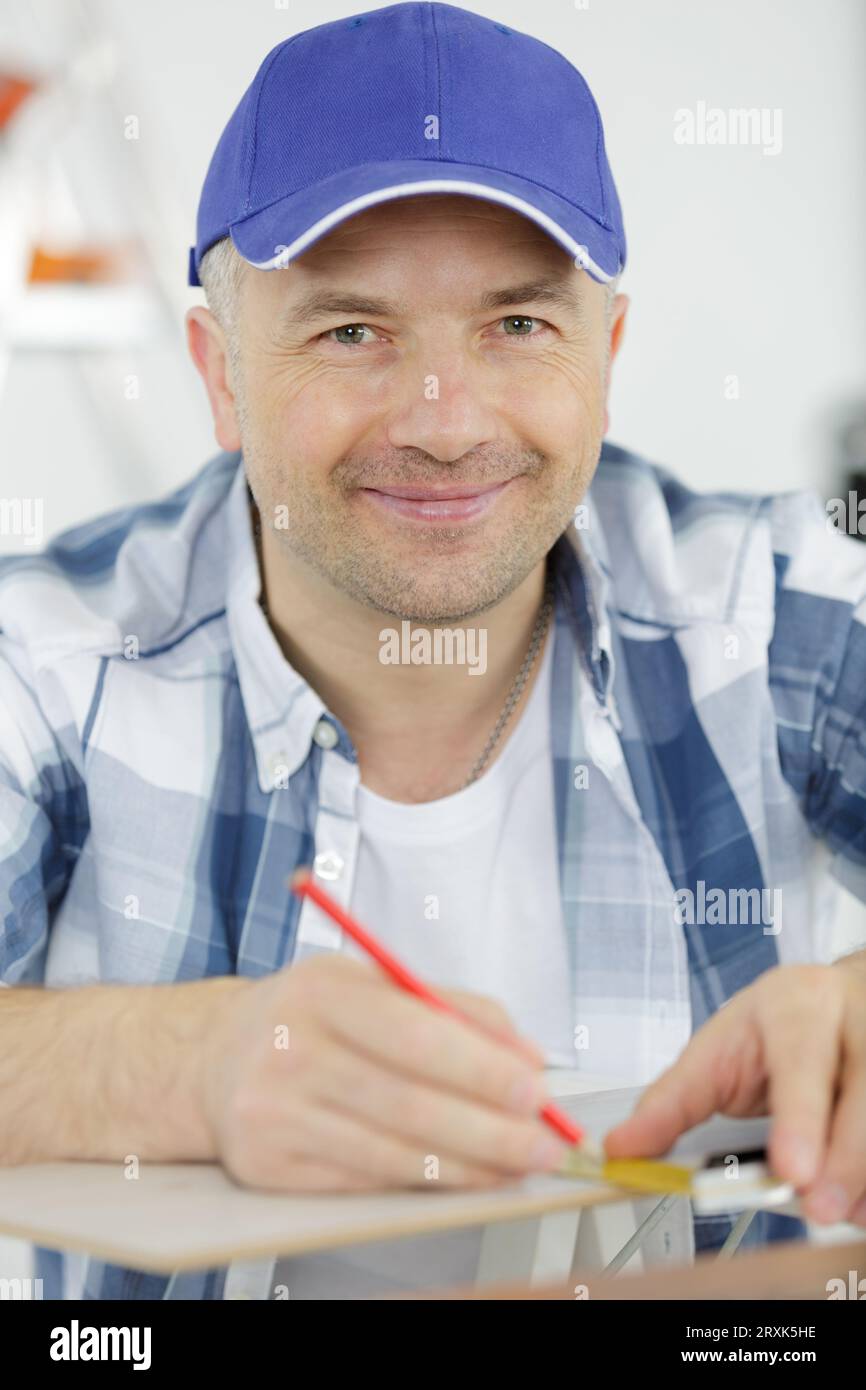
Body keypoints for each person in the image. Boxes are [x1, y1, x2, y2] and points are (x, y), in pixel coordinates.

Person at [1, 2, 864, 1300]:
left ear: (605, 356)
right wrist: (186, 1063)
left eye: (516, 326)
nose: (446, 424)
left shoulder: (781, 607)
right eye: (353, 331)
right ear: (219, 374)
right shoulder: (45, 656)